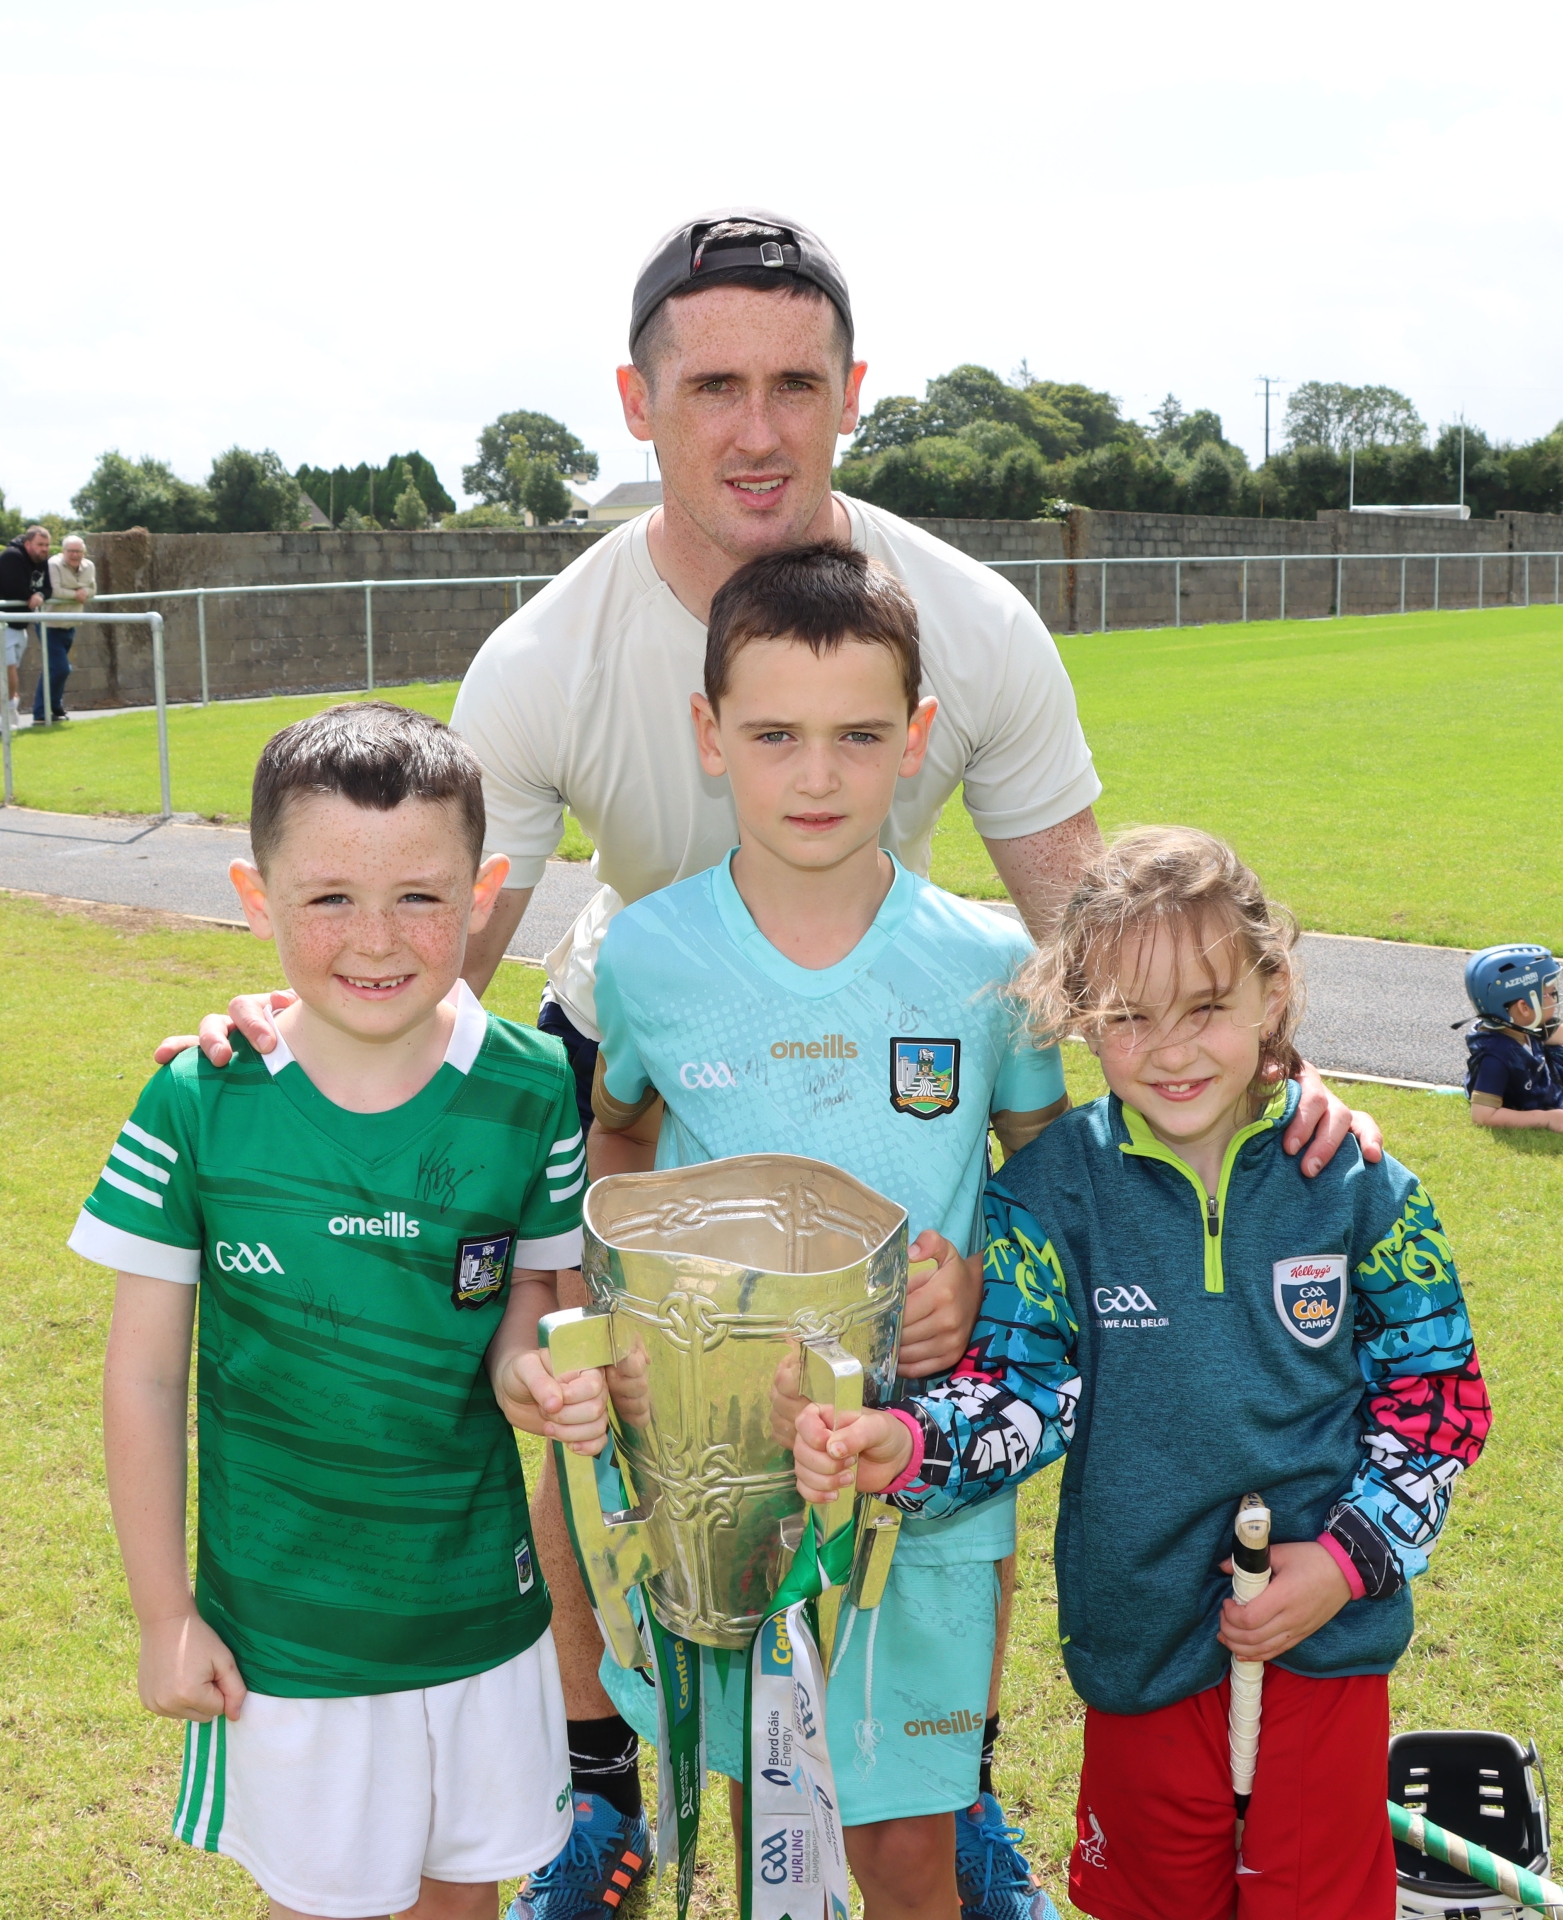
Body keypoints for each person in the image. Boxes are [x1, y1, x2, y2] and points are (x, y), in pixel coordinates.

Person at [158, 209, 1380, 1920]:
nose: (754, 427)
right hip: (655, 1004)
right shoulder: (543, 663)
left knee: (1014, 1370)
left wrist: (1269, 1074)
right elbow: (425, 967)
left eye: (793, 385)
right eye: (712, 385)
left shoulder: (965, 624)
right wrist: (279, 1047)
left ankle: (931, 1790)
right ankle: (599, 1766)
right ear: (638, 400)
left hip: (909, 1044)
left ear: (848, 396)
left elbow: (1088, 954)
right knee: (522, 1304)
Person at [814, 826, 1487, 1920]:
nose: (1171, 1051)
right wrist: (910, 1448)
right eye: (1128, 1018)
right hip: (1137, 1650)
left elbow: (1439, 1407)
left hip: (1324, 1649)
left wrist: (1347, 1562)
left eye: (1206, 1008)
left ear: (1272, 994)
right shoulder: (1046, 1195)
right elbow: (1024, 1392)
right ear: (1084, 1018)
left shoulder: (1364, 1189)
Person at [588, 543, 1069, 1920]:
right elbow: (618, 1132)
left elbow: (1039, 1165)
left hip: (919, 1482)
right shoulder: (648, 956)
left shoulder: (985, 966)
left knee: (908, 1840)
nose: (815, 775)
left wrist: (983, 1277)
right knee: (762, 1825)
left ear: (913, 744)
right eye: (774, 736)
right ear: (708, 738)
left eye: (858, 737)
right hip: (717, 1480)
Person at [72, 703, 612, 1920]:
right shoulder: (200, 1100)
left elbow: (527, 1296)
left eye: (420, 897)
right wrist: (165, 1615)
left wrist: (533, 1372)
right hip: (292, 1638)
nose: (376, 938)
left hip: (481, 1612)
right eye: (328, 899)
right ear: (254, 897)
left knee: (462, 1903)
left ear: (481, 894)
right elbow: (146, 1378)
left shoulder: (532, 1090)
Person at [1460, 943, 1563, 1131]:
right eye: (1550, 993)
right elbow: (1483, 1115)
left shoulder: (1524, 1024)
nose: (1555, 999)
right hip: (1540, 1100)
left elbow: (1559, 1034)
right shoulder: (1496, 1055)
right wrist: (1547, 1119)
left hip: (1549, 1082)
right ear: (1524, 1007)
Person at [36, 531, 94, 721]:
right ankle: (49, 707)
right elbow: (55, 589)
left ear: (83, 552)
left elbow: (93, 589)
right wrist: (77, 594)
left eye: (78, 551)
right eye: (70, 551)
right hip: (49, 624)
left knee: (54, 669)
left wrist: (84, 591)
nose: (74, 554)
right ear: (63, 551)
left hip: (70, 624)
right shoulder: (53, 563)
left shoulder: (89, 566)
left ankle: (45, 710)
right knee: (61, 668)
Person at [0, 524, 51, 723]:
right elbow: (15, 590)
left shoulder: (41, 560)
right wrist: (34, 596)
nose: (45, 549)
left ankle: (10, 707)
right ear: (28, 543)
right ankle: (8, 710)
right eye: (40, 544)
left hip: (20, 624)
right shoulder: (12, 556)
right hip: (3, 622)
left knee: (11, 672)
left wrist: (39, 595)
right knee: (8, 670)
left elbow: (48, 588)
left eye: (47, 545)